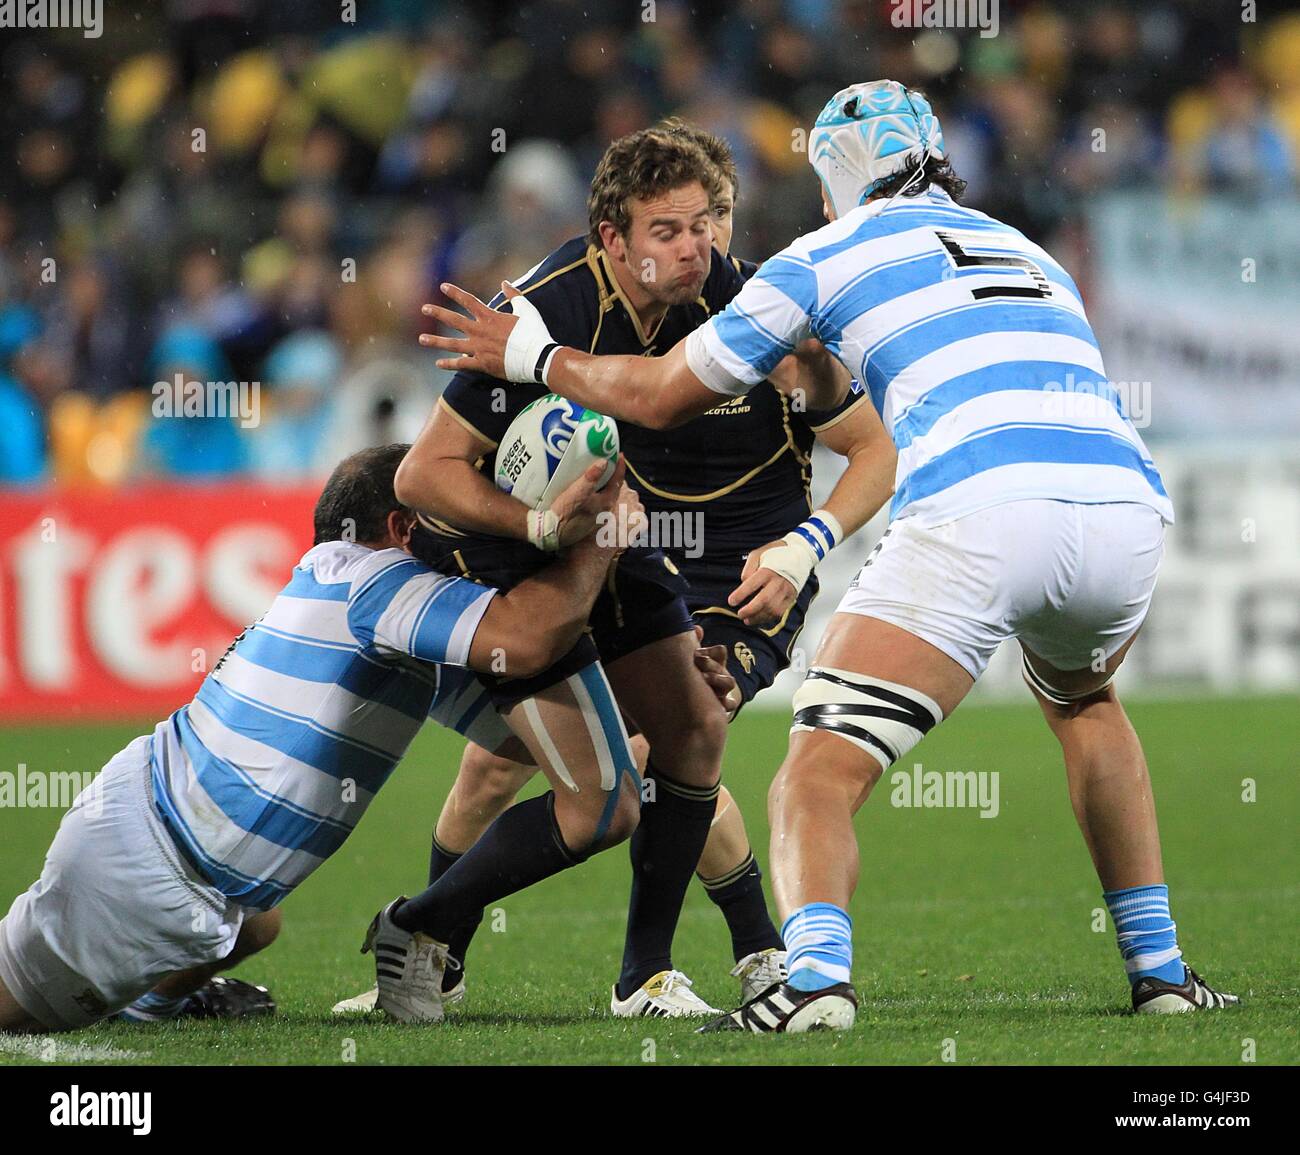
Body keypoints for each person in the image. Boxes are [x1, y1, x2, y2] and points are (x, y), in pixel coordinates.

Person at [418, 80, 1240, 1031]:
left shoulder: (821, 255)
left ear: (840, 178)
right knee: (1089, 706)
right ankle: (1164, 974)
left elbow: (658, 396)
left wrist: (534, 356)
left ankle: (810, 983)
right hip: (1124, 503)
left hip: (981, 507)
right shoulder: (1026, 245)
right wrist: (811, 536)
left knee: (815, 768)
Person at [336, 120, 892, 1019]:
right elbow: (420, 476)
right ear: (613, 239)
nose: (693, 246)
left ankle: (647, 972)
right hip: (531, 542)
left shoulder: (748, 307)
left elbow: (856, 434)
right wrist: (541, 520)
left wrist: (811, 509)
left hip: (683, 554)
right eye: (665, 231)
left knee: (683, 734)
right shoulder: (547, 309)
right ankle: (435, 941)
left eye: (705, 222)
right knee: (540, 773)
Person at [0, 443, 649, 1031]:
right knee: (12, 1011)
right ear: (401, 527)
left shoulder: (368, 603)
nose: (472, 526)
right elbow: (526, 638)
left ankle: (154, 1003)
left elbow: (522, 735)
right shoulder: (375, 582)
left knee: (255, 924)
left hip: (173, 847)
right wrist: (599, 537)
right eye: (450, 511)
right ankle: (131, 993)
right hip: (141, 868)